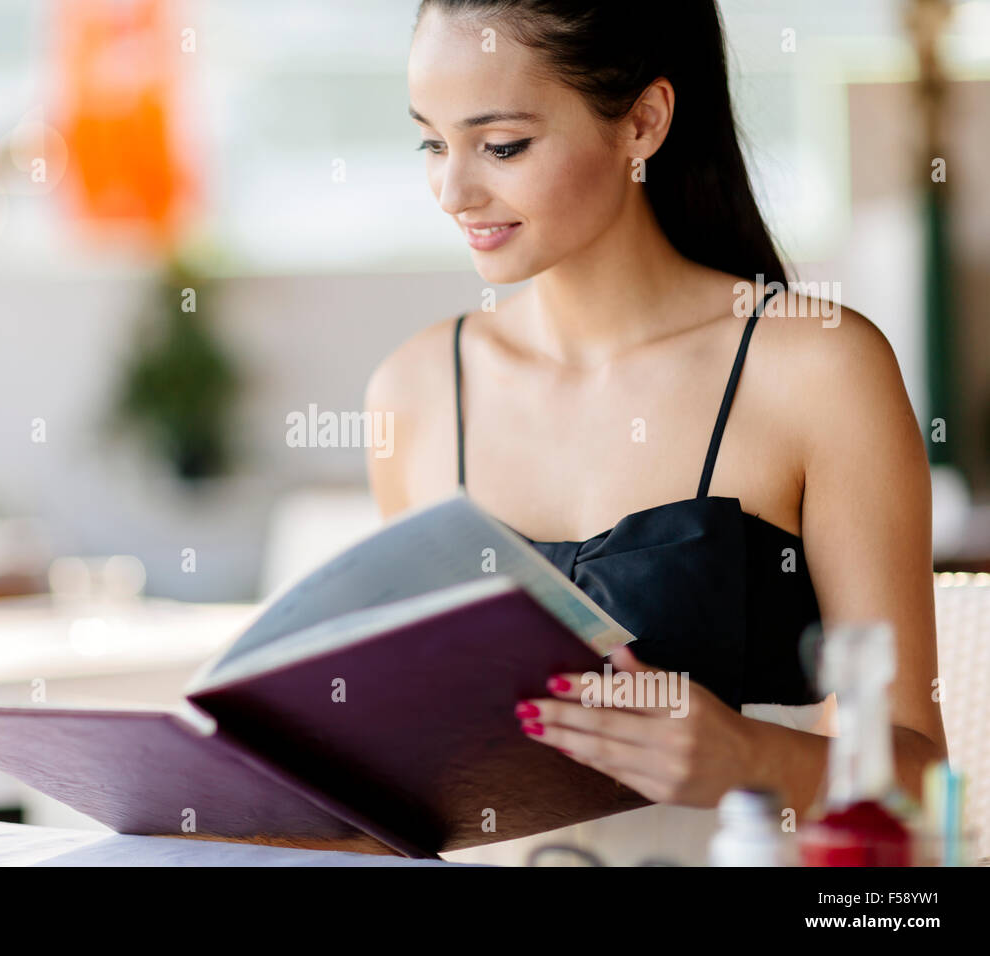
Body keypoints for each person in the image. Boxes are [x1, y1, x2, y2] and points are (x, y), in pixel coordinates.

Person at [364, 0, 947, 865]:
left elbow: (923, 792)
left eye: (502, 146)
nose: (454, 191)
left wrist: (750, 760)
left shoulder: (817, 369)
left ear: (643, 121)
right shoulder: (412, 391)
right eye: (431, 143)